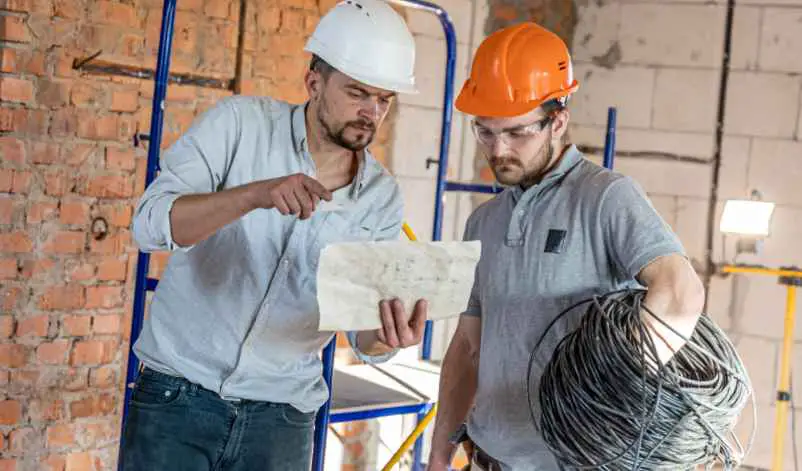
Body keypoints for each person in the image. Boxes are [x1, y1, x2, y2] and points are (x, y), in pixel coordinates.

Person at [123, 0, 429, 469]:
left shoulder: (381, 199)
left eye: (384, 100)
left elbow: (363, 332)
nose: (371, 112)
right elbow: (150, 224)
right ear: (314, 83)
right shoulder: (239, 125)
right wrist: (255, 195)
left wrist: (389, 336)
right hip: (177, 398)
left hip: (281, 420)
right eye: (357, 93)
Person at [426, 22, 706, 471]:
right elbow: (466, 347)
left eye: (517, 133)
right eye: (485, 132)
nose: (498, 150)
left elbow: (680, 292)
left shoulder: (606, 197)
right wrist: (440, 449)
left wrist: (605, 384)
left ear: (558, 120)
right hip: (491, 458)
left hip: (575, 462)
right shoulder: (483, 223)